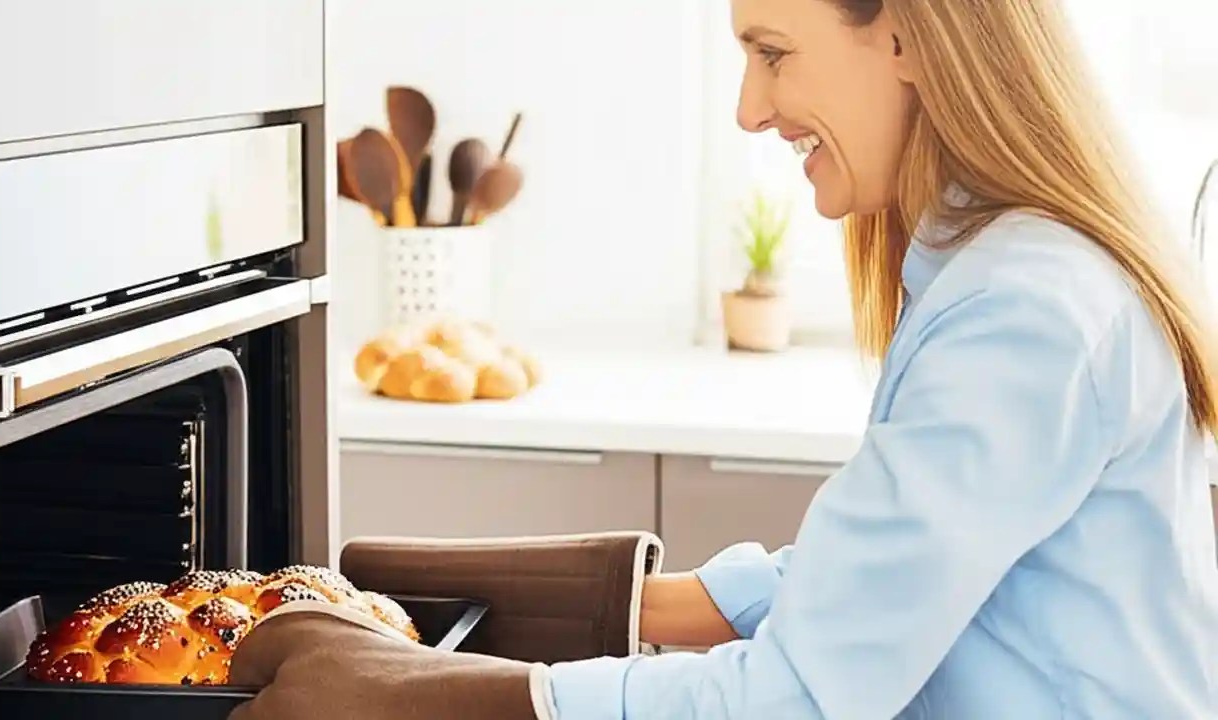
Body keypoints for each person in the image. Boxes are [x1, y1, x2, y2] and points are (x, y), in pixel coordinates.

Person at [229, 0, 1218, 717]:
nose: (750, 108)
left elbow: (795, 697)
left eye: (771, 52)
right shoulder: (996, 270)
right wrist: (593, 603)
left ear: (908, 32)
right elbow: (907, 579)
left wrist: (416, 696)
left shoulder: (1022, 309)